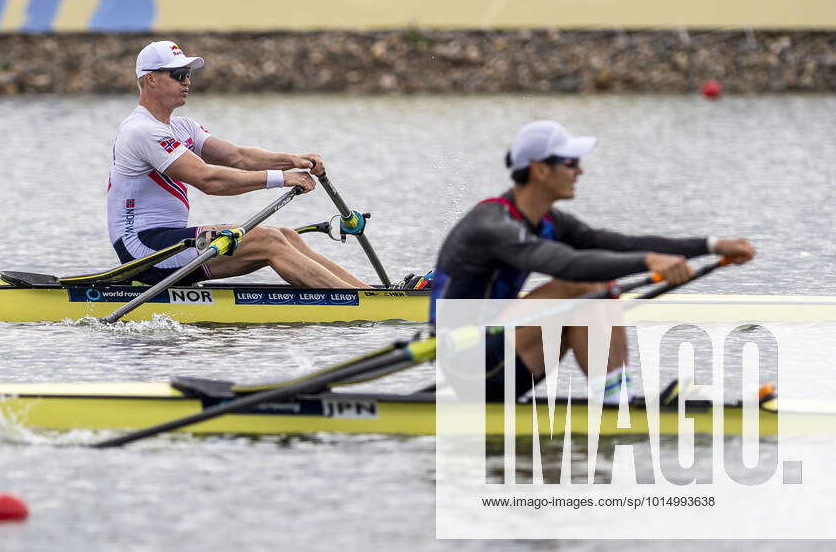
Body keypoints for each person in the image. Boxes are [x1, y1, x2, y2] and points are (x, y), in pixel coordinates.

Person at [429, 120, 756, 403]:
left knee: (603, 285)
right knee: (583, 284)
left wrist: (711, 245)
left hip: (505, 360)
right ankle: (615, 403)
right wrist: (650, 262)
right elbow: (567, 265)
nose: (579, 170)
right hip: (466, 361)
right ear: (541, 169)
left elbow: (617, 244)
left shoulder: (547, 220)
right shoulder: (493, 224)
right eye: (571, 162)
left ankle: (618, 395)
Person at [106, 40, 370, 289]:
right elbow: (208, 180)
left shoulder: (182, 126)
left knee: (286, 234)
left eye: (188, 74)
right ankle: (364, 305)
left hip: (169, 242)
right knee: (268, 240)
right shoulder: (141, 130)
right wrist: (283, 178)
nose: (187, 81)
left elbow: (238, 157)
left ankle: (367, 292)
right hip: (143, 250)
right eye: (178, 74)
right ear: (151, 79)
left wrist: (293, 160)